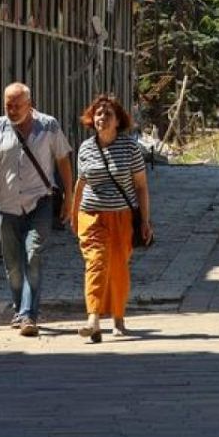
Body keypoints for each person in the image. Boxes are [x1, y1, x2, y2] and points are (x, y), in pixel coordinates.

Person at [0, 82, 74, 337]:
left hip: (39, 202)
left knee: (33, 256)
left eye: (17, 105)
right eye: (8, 105)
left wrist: (69, 196)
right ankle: (20, 308)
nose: (12, 109)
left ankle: (29, 314)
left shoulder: (49, 125)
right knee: (13, 265)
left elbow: (63, 159)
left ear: (30, 105)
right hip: (6, 205)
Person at [71, 94, 152, 343]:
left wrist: (145, 221)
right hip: (92, 215)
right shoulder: (86, 148)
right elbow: (80, 184)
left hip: (122, 216)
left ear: (118, 121)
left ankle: (118, 317)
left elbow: (140, 186)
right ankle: (93, 319)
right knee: (96, 261)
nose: (102, 118)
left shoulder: (130, 148)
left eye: (108, 114)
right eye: (98, 114)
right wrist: (73, 215)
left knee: (118, 266)